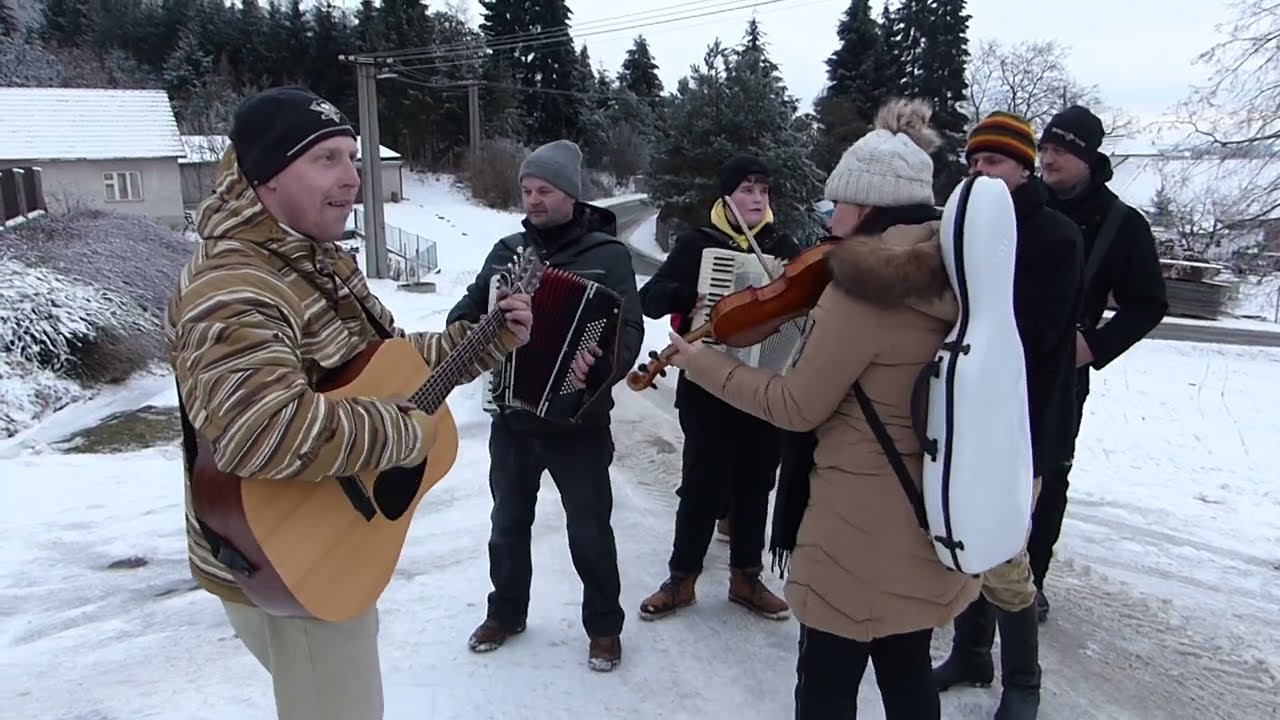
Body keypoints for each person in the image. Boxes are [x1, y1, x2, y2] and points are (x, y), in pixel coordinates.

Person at [166, 86, 533, 720]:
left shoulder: (311, 256)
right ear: (267, 176)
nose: (353, 178)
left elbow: (383, 364)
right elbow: (266, 432)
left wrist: (483, 340)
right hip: (284, 553)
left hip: (328, 540)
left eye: (353, 156)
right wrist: (407, 434)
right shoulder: (234, 285)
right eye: (326, 158)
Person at [666, 98, 980, 720]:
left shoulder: (861, 289)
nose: (830, 216)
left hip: (855, 529)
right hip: (930, 508)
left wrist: (700, 362)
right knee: (906, 665)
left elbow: (795, 406)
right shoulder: (958, 273)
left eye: (838, 203)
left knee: (827, 686)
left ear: (867, 207)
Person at [446, 138, 644, 672]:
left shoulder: (608, 255)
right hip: (513, 419)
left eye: (545, 191)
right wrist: (482, 324)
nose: (533, 200)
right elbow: (461, 314)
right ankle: (505, 612)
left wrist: (596, 369)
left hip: (578, 424)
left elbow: (627, 332)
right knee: (507, 524)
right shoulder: (506, 252)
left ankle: (604, 627)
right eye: (527, 190)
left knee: (589, 530)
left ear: (571, 195)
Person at [932, 111, 1085, 720]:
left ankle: (1025, 679)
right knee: (965, 539)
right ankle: (972, 653)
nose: (980, 171)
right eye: (973, 161)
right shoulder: (962, 225)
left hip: (1023, 422)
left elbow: (1040, 336)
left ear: (1023, 168)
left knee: (1002, 553)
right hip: (964, 412)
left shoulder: (1053, 236)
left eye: (993, 161)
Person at [635, 155, 801, 622]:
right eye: (747, 189)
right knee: (702, 483)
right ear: (726, 198)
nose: (757, 198)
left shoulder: (783, 246)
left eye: (763, 190)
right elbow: (650, 299)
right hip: (707, 383)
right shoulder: (698, 245)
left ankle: (746, 578)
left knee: (756, 483)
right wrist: (688, 295)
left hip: (764, 383)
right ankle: (682, 579)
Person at [1030, 105, 1168, 621]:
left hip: (1062, 375)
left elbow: (1147, 304)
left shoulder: (1121, 225)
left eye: (1061, 151)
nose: (1048, 159)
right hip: (997, 358)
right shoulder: (1019, 203)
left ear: (1088, 158)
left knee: (1048, 475)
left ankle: (1030, 582)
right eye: (1045, 149)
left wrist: (1095, 346)